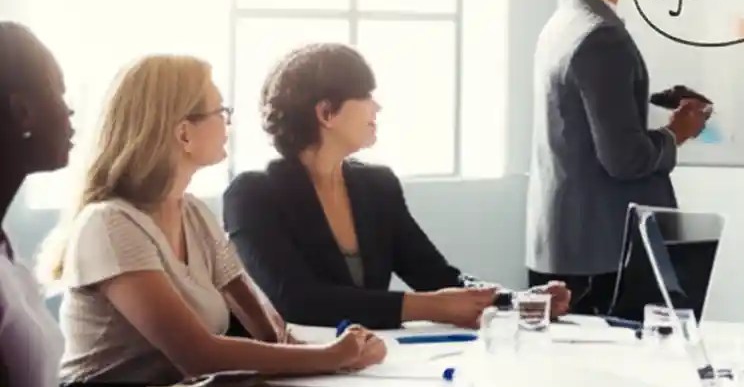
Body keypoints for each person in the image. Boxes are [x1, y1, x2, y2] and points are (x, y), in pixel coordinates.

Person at [1, 22, 288, 387]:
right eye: (56, 92)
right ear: (20, 112)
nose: (71, 110)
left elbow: (266, 323)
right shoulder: (110, 223)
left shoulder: (6, 251)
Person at [39, 55, 386, 387]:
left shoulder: (193, 214)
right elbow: (199, 355)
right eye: (220, 112)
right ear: (184, 134)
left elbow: (271, 333)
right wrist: (332, 355)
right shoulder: (111, 224)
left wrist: (346, 348)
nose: (228, 123)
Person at [223, 43, 569, 329]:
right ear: (326, 113)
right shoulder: (252, 195)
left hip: (372, 360)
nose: (377, 106)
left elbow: (436, 277)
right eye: (366, 95)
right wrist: (427, 308)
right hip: (296, 370)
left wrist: (520, 301)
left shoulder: (377, 186)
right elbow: (297, 301)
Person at [526, 0, 710, 315]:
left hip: (564, 244)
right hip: (601, 252)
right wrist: (677, 132)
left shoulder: (562, 23)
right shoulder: (601, 37)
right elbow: (624, 159)